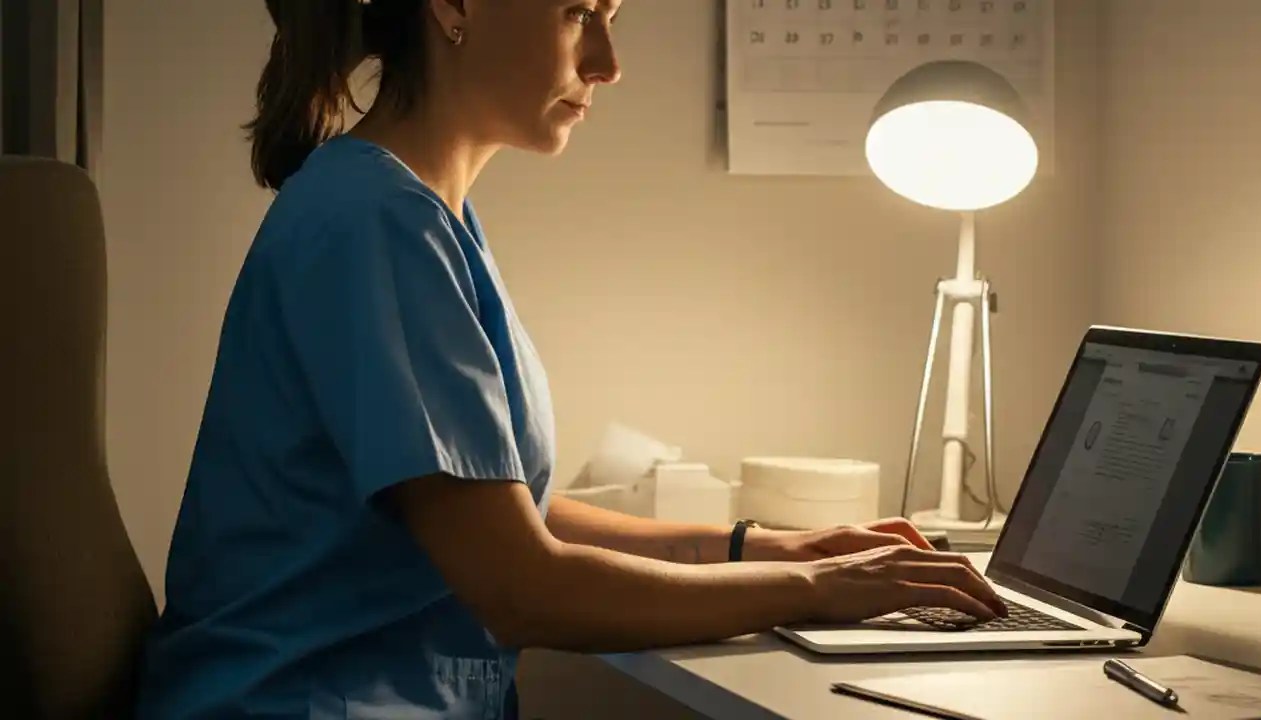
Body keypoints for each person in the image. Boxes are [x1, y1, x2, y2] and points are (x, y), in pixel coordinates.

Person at [134, 0, 1008, 717]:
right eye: (578, 13)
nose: (608, 62)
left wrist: (759, 545)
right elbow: (523, 586)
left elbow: (515, 518)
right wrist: (813, 586)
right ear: (453, 6)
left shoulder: (417, 212)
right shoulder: (376, 221)